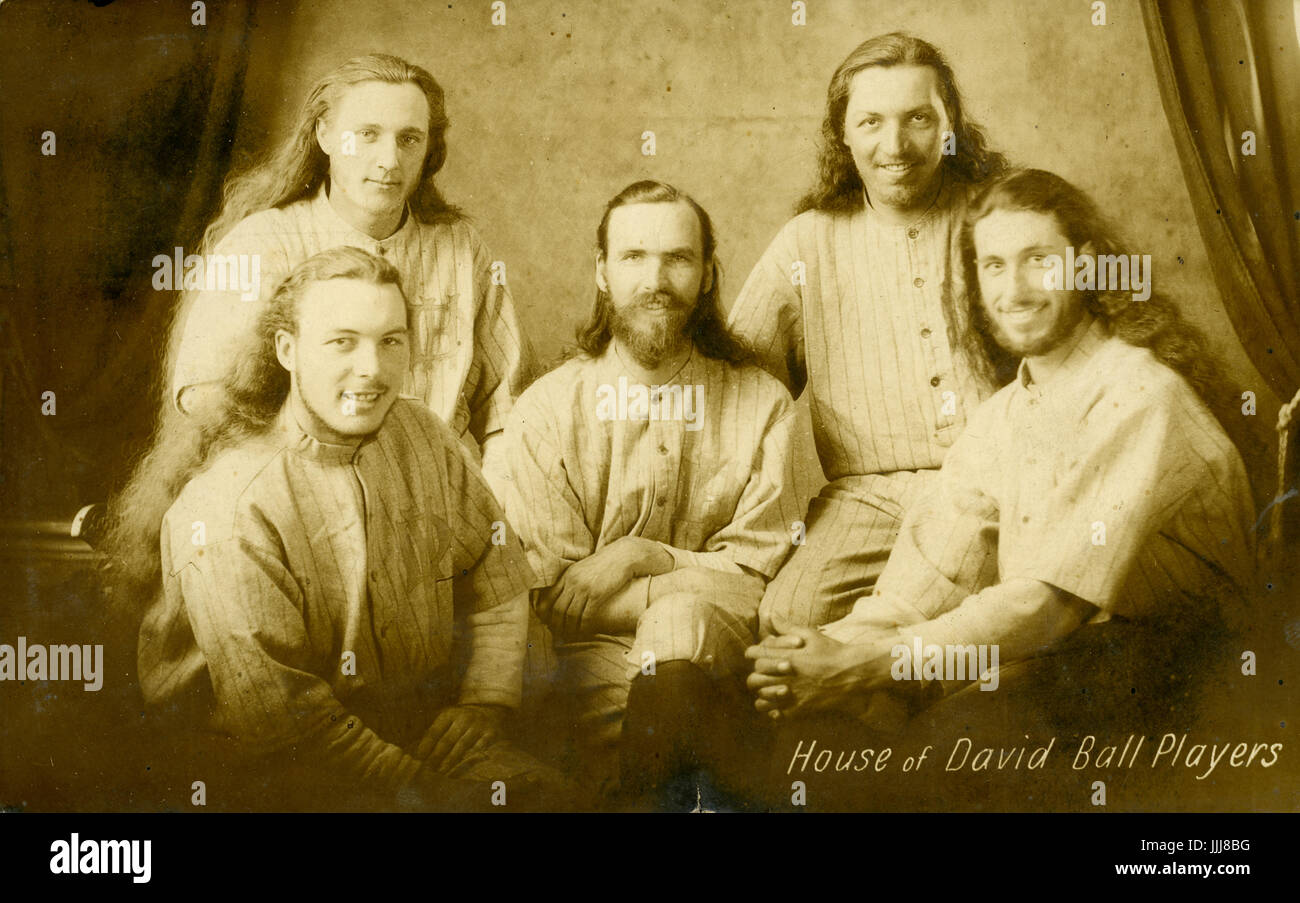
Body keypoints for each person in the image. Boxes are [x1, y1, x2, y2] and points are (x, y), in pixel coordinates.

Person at [746, 169, 1255, 755]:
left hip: (1187, 679)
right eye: (993, 266)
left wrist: (867, 666)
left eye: (1038, 260)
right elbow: (921, 587)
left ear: (1086, 266)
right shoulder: (1003, 416)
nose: (1013, 291)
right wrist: (813, 660)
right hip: (1067, 663)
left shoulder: (1141, 393)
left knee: (942, 747)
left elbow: (1046, 606)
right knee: (789, 726)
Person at [132, 247, 555, 810]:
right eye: (342, 342)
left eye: (391, 341)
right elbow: (286, 725)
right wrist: (436, 795)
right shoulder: (231, 508)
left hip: (417, 738)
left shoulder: (425, 437)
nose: (372, 370)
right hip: (272, 773)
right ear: (288, 350)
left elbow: (497, 577)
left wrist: (485, 702)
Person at [503, 181, 802, 809]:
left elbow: (758, 585)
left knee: (686, 620)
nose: (656, 279)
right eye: (634, 257)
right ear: (602, 274)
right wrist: (688, 580)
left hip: (721, 662)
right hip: (582, 675)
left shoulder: (763, 403)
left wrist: (642, 555)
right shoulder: (547, 411)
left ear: (709, 275)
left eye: (678, 258)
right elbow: (554, 599)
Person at [725, 33, 1009, 634]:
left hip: (1000, 483)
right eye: (871, 122)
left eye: (919, 119)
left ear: (951, 123)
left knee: (981, 625)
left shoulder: (1003, 217)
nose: (895, 146)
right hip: (866, 500)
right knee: (788, 621)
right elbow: (736, 387)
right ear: (843, 133)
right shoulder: (807, 241)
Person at [168, 53, 531, 496]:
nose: (389, 161)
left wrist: (491, 506)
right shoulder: (264, 241)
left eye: (409, 139)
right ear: (324, 134)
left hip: (440, 496)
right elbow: (202, 395)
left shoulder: (461, 248)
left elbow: (507, 410)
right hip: (304, 493)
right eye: (367, 135)